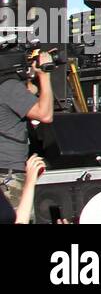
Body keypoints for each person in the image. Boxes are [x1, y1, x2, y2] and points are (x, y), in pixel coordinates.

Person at [0, 49, 54, 210]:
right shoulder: (8, 87)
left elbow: (33, 92)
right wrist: (45, 74)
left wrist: (33, 78)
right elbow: (45, 115)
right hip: (9, 174)